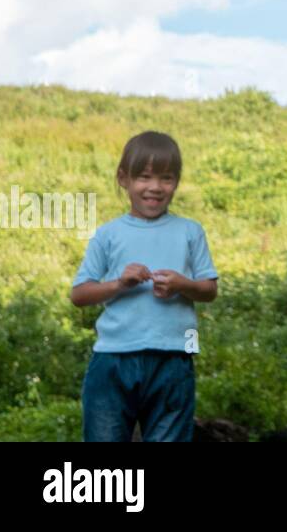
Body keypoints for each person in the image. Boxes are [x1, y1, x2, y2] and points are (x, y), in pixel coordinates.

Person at [70, 131, 219, 442]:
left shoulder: (190, 231)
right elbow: (79, 295)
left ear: (176, 182)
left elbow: (209, 289)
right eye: (144, 177)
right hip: (112, 359)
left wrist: (183, 285)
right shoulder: (107, 234)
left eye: (166, 178)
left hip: (175, 358)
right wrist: (120, 284)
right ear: (124, 179)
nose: (155, 187)